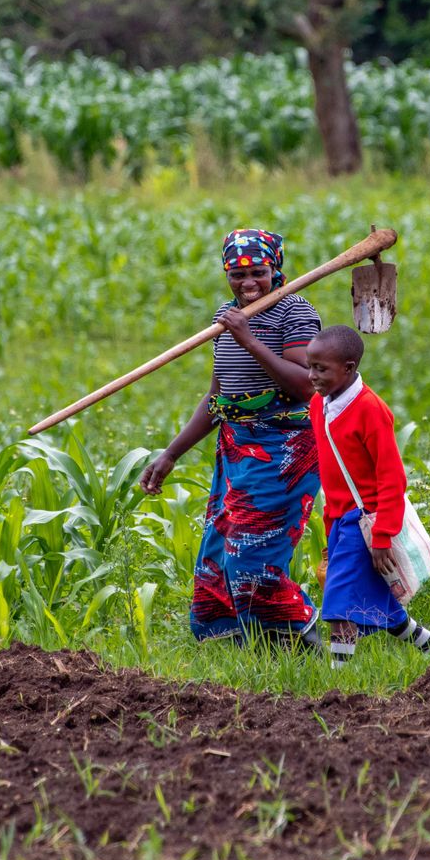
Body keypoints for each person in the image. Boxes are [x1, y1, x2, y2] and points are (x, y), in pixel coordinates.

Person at [139, 229, 324, 647]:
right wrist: (171, 454)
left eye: (258, 272)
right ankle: (239, 643)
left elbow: (306, 386)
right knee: (220, 551)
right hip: (237, 450)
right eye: (237, 274)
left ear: (275, 269)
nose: (248, 283)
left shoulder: (294, 312)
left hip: (283, 451)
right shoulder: (226, 316)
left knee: (252, 550)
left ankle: (300, 640)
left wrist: (247, 337)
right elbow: (218, 397)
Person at [306, 325, 430, 668]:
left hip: (366, 521)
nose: (312, 376)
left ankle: (338, 680)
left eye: (321, 369)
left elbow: (392, 478)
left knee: (339, 605)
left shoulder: (370, 409)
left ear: (349, 368)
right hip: (342, 522)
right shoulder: (318, 405)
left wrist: (382, 535)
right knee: (377, 603)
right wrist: (330, 527)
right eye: (310, 367)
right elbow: (331, 473)